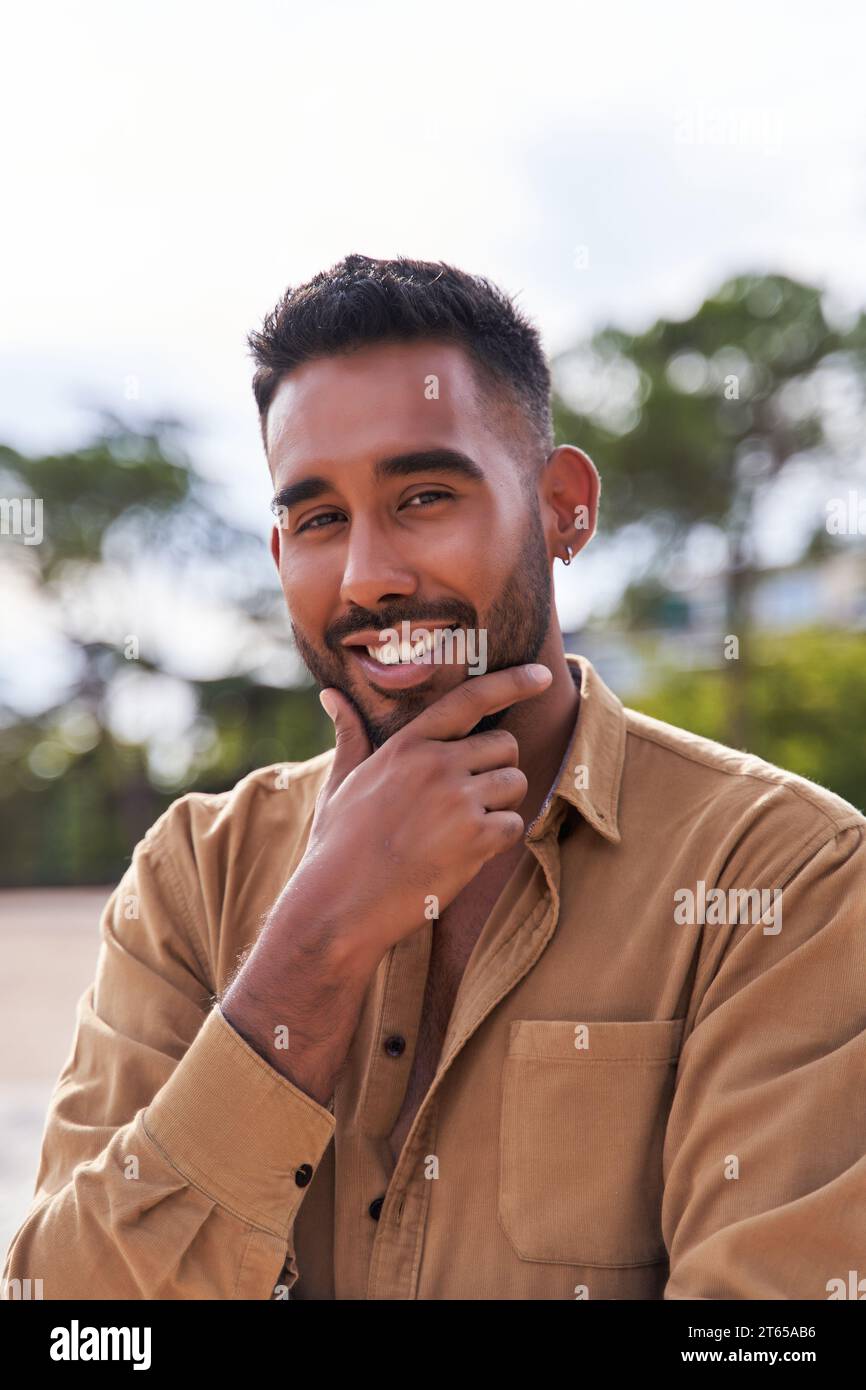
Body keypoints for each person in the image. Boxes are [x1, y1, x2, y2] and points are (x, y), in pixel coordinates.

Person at [4, 255, 865, 1300]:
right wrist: (310, 949)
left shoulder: (783, 877)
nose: (368, 574)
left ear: (561, 509)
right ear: (281, 553)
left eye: (422, 495)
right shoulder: (193, 876)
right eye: (319, 518)